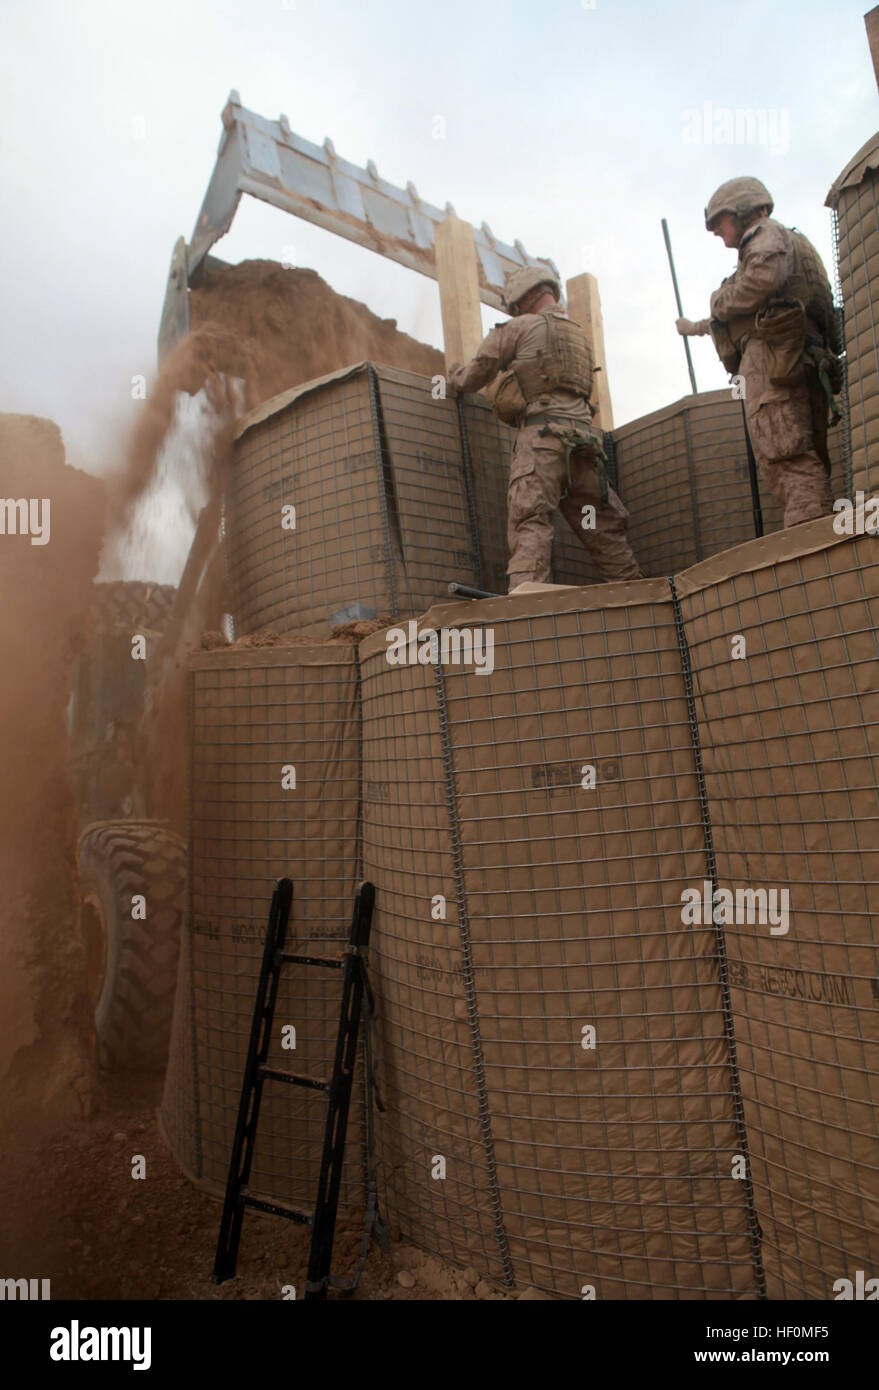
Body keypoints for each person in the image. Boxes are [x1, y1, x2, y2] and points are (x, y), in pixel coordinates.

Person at [447, 267, 642, 589]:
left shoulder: (519, 327)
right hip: (584, 451)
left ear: (524, 296)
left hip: (542, 444)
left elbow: (477, 372)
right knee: (601, 529)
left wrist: (455, 377)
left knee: (532, 522)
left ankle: (528, 611)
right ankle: (638, 601)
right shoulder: (578, 335)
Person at [677, 177, 841, 528]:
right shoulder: (794, 242)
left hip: (773, 362)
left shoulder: (764, 235)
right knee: (805, 456)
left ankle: (809, 546)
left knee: (785, 455)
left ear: (741, 210)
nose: (718, 234)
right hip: (800, 355)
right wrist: (696, 326)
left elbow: (761, 282)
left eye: (719, 223)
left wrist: (718, 301)